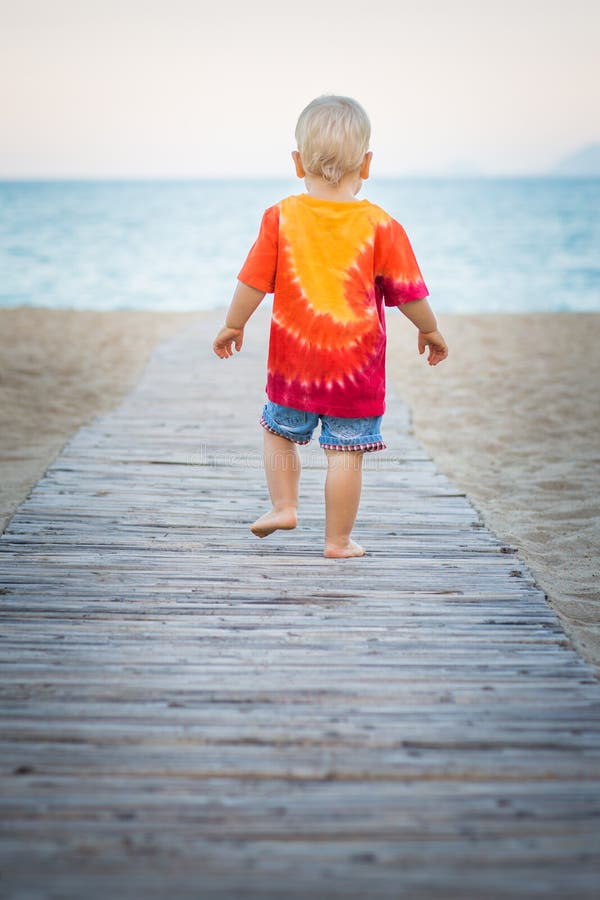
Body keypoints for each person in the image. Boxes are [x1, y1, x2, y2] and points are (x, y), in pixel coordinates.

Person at [213, 95, 448, 558]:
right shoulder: (381, 225)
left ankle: (284, 505)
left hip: (293, 366)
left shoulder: (280, 217)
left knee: (278, 431)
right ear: (367, 164)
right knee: (345, 454)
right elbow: (409, 292)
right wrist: (430, 330)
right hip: (354, 370)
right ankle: (337, 541)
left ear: (298, 163)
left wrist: (232, 324)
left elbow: (252, 281)